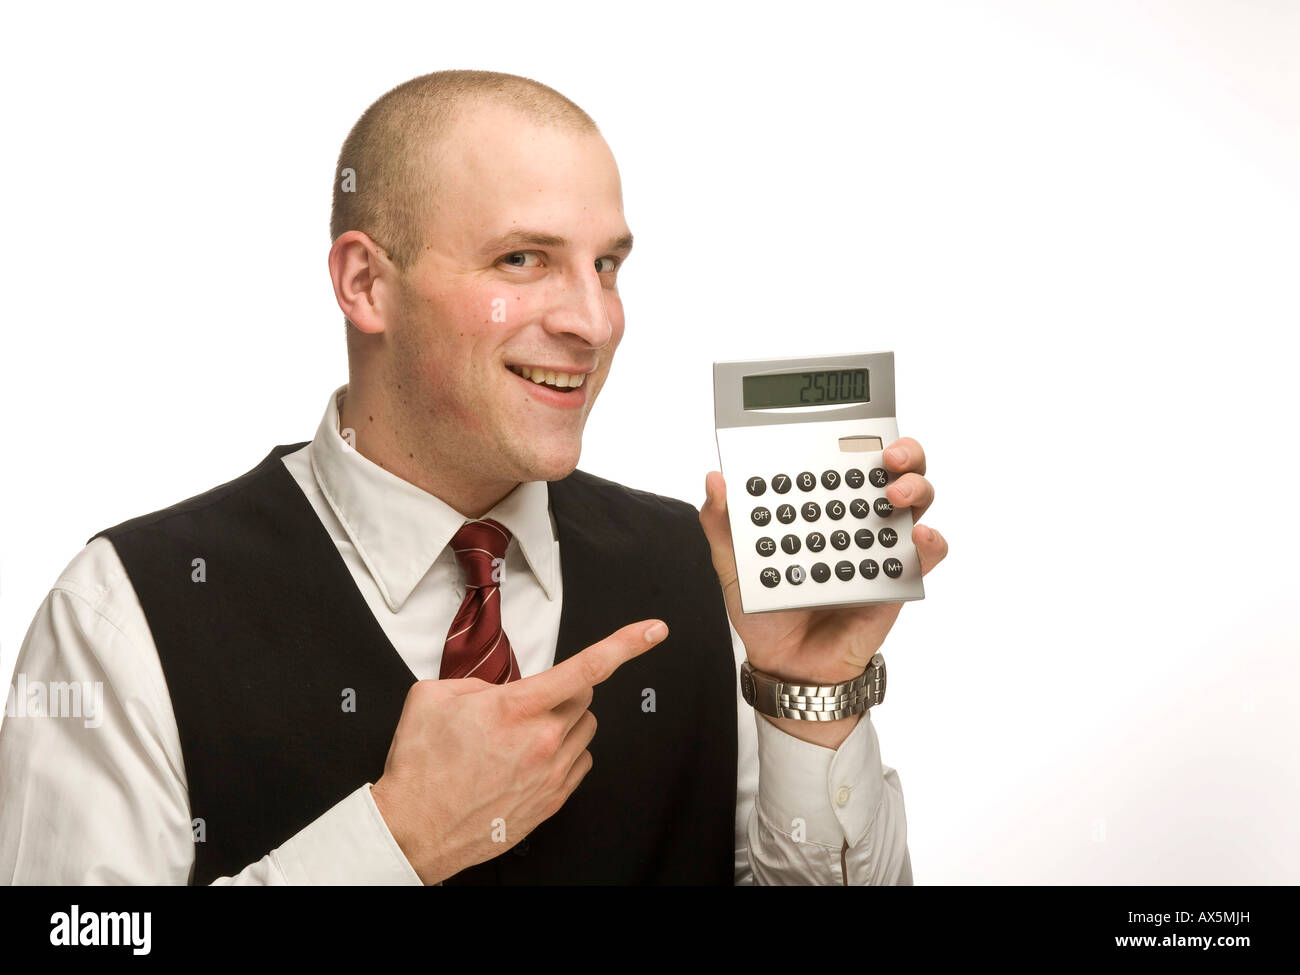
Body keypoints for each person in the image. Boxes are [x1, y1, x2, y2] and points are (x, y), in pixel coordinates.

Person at [0, 69, 946, 885]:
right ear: (367, 284)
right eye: (524, 259)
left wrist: (807, 699)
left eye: (607, 264)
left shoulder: (705, 570)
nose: (594, 320)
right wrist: (392, 841)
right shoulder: (125, 611)